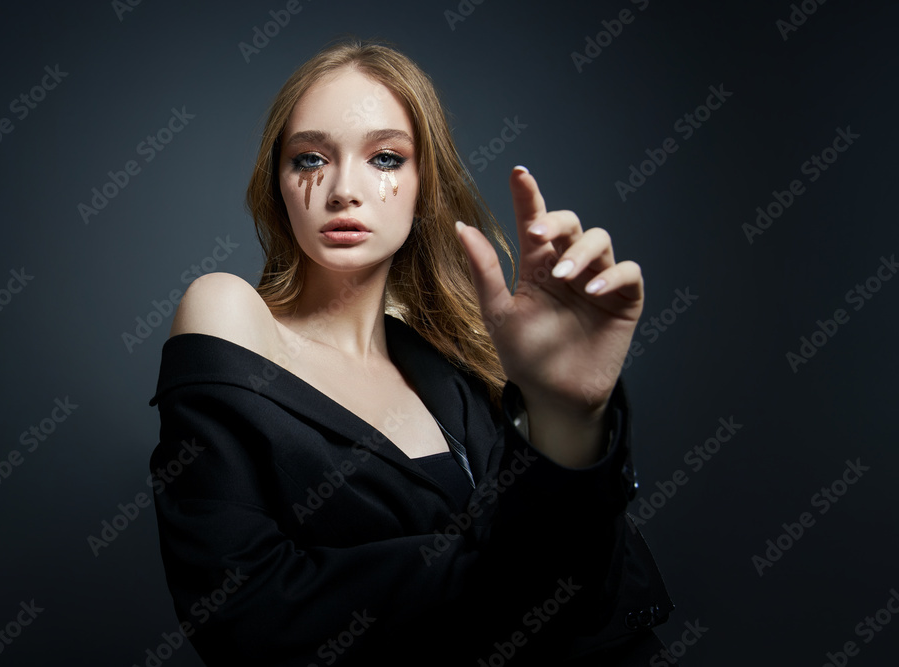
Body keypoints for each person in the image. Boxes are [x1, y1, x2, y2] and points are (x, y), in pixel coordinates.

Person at [149, 38, 674, 666]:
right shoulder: (231, 314)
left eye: (386, 158)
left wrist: (568, 413)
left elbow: (591, 587)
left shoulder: (460, 360)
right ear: (278, 185)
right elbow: (244, 613)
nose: (344, 189)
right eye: (310, 157)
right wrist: (505, 568)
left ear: (425, 186)